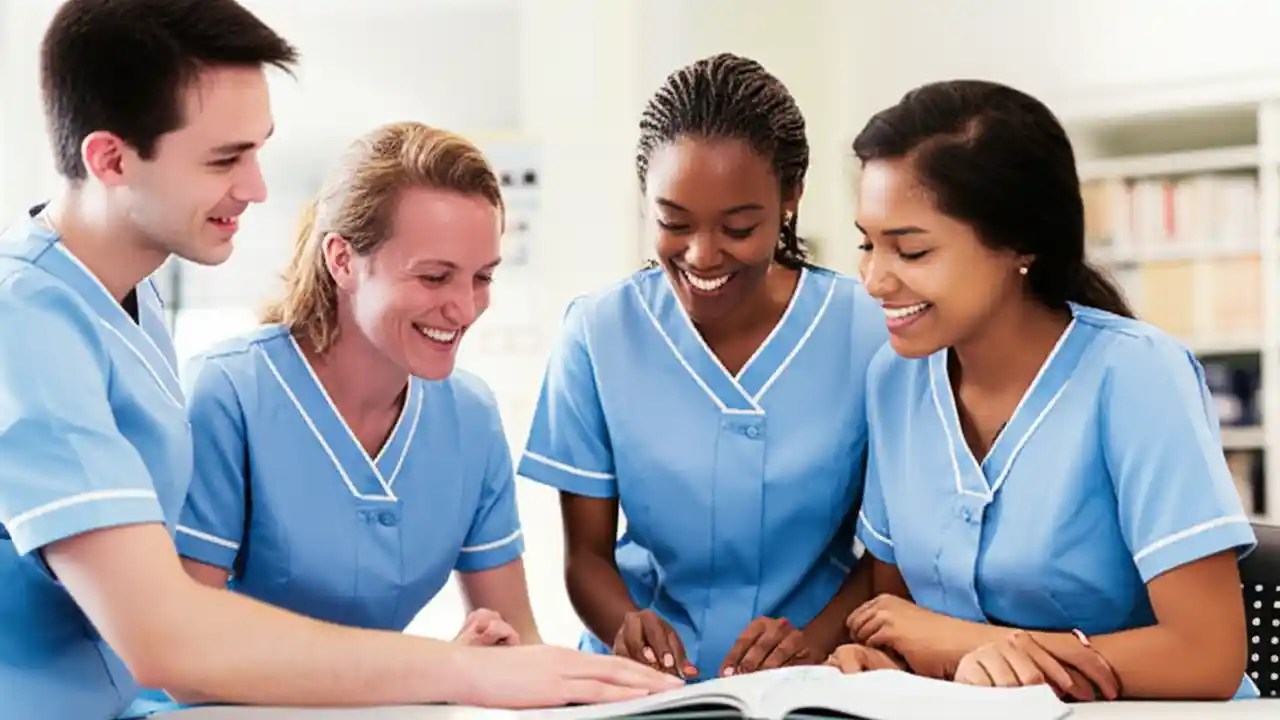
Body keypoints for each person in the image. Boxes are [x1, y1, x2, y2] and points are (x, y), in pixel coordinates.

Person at [0, 2, 679, 718]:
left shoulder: (129, 303)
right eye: (225, 158)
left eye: (257, 149)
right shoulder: (28, 317)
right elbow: (169, 642)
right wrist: (459, 673)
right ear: (110, 159)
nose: (258, 187)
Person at [826, 79, 1257, 701]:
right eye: (868, 243)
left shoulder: (1137, 375)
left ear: (1019, 245)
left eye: (911, 250)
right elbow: (895, 615)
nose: (872, 279)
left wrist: (970, 643)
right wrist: (870, 655)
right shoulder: (893, 380)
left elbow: (1207, 656)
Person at [518, 52, 888, 682]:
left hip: (817, 671)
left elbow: (889, 552)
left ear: (790, 198)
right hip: (647, 685)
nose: (701, 254)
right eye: (672, 222)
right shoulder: (598, 333)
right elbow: (585, 557)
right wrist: (623, 627)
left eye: (739, 227)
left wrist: (810, 648)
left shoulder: (870, 328)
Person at [176, 121, 539, 650]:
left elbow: (519, 636)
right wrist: (431, 674)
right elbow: (192, 649)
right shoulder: (230, 395)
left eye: (482, 277)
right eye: (435, 277)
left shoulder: (470, 416)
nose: (465, 308)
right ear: (343, 260)